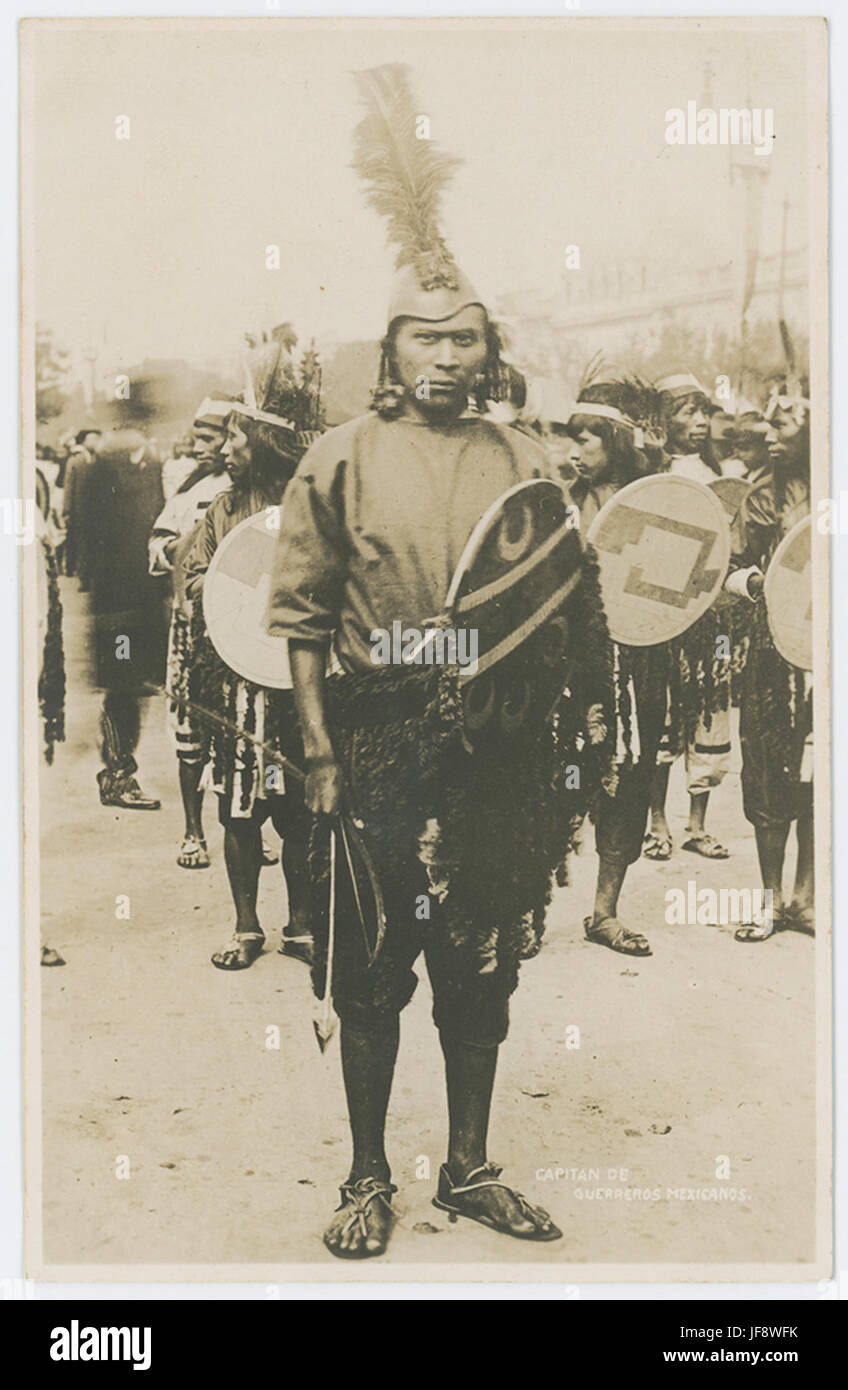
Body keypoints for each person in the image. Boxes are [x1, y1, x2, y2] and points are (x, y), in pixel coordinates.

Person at [266, 64, 613, 1257]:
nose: (448, 355)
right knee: (372, 973)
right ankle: (369, 1174)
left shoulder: (528, 459)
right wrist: (317, 749)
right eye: (427, 335)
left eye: (467, 338)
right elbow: (300, 620)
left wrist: (571, 735)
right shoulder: (339, 455)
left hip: (498, 749)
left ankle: (466, 1166)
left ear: (489, 349)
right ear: (391, 344)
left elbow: (562, 609)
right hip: (372, 739)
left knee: (481, 962)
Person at [184, 345, 317, 970]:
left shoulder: (309, 508)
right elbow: (196, 583)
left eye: (237, 438)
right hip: (239, 684)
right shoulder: (220, 509)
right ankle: (246, 927)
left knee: (300, 808)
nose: (227, 449)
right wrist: (220, 594)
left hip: (299, 681)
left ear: (262, 443)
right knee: (240, 804)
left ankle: (301, 924)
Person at [564, 381, 669, 958]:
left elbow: (679, 580)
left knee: (627, 777)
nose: (575, 451)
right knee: (559, 779)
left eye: (587, 440)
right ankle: (526, 909)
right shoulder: (558, 502)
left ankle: (604, 912)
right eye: (571, 440)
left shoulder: (654, 501)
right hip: (570, 662)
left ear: (617, 442)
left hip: (636, 660)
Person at [726, 391, 813, 941]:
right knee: (768, 772)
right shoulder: (761, 497)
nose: (771, 438)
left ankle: (804, 900)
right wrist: (759, 583)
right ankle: (769, 900)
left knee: (819, 774)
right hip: (773, 653)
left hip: (829, 654)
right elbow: (731, 565)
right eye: (769, 430)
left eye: (784, 428)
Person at [645, 373, 737, 863]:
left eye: (704, 411)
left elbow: (732, 554)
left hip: (713, 618)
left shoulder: (722, 474)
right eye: (686, 411)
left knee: (710, 713)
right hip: (663, 615)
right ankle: (655, 820)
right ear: (663, 420)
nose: (699, 421)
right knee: (661, 716)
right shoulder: (648, 474)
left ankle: (696, 824)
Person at [150, 398, 233, 868]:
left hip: (238, 631)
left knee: (243, 730)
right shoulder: (188, 492)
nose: (200, 447)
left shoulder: (258, 493)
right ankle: (193, 831)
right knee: (192, 730)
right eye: (197, 437)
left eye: (211, 438)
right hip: (192, 631)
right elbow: (158, 544)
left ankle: (243, 824)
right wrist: (182, 545)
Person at [72, 428, 167, 809]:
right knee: (124, 687)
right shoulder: (108, 467)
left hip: (138, 605)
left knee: (132, 688)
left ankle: (117, 769)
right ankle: (116, 776)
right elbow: (91, 531)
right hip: (119, 610)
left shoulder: (146, 465)